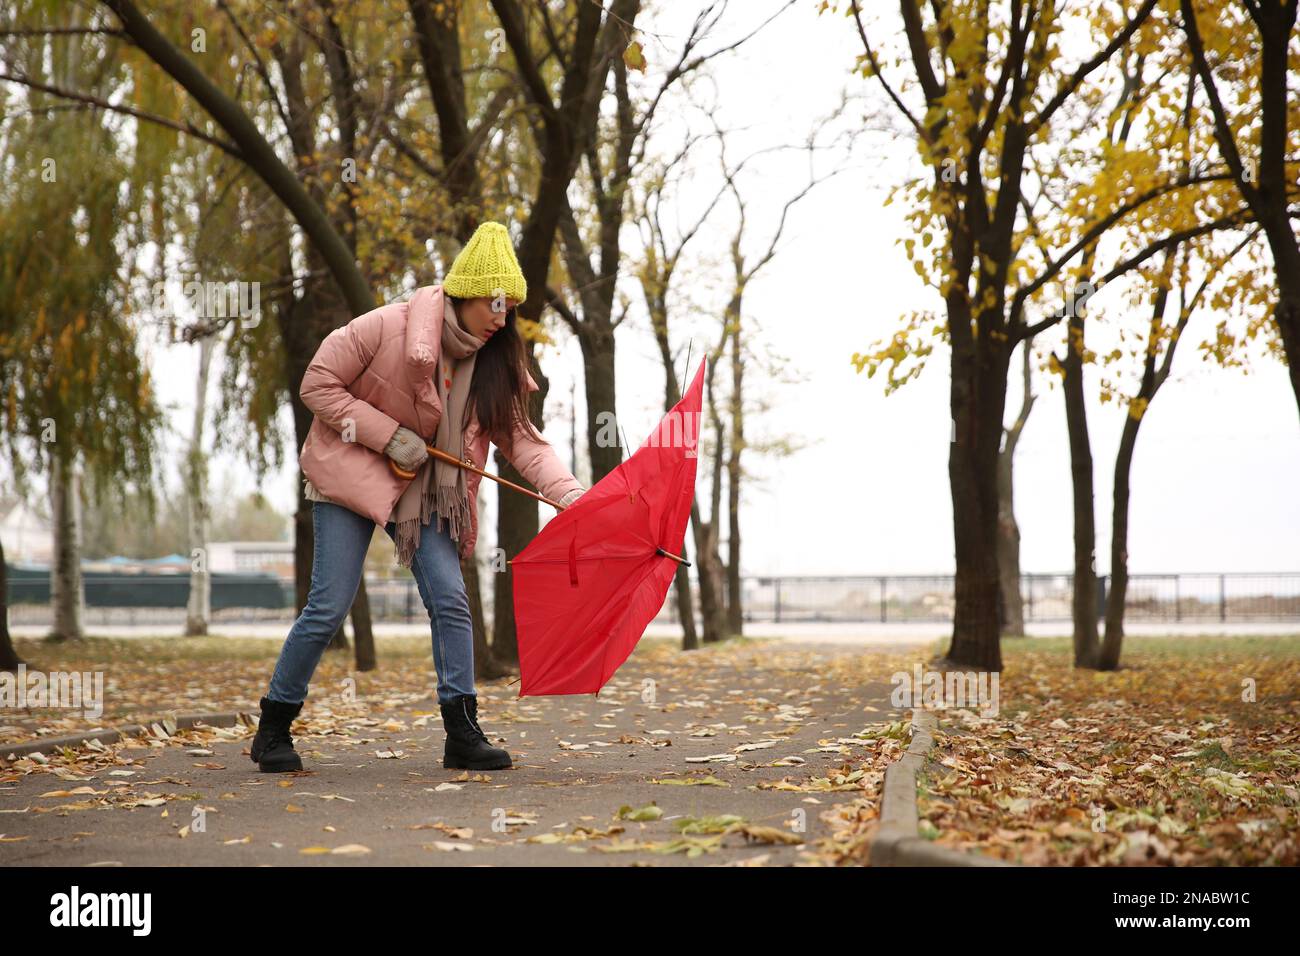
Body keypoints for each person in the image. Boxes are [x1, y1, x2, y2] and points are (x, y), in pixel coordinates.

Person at [250, 222, 585, 774]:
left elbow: (523, 441)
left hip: (427, 492)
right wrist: (391, 436)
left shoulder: (497, 360)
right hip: (350, 475)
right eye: (495, 303)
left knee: (451, 600)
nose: (503, 317)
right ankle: (274, 728)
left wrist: (570, 495)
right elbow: (317, 383)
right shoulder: (388, 325)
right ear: (465, 293)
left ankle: (462, 732)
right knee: (328, 606)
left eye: (510, 307)